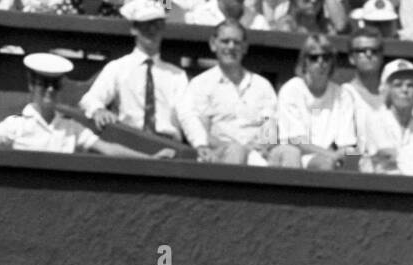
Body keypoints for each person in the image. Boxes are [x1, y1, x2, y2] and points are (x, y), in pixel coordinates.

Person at [0, 53, 160, 158]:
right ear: (32, 86)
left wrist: (150, 158)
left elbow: (107, 149)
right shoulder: (16, 126)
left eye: (54, 84)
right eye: (43, 84)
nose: (49, 90)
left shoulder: (70, 128)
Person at [78, 0, 207, 153]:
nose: (152, 30)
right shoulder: (118, 68)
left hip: (169, 146)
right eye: (145, 25)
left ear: (163, 28)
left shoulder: (176, 75)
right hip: (130, 142)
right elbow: (90, 99)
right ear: (134, 29)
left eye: (157, 25)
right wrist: (98, 110)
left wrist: (200, 144)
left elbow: (187, 114)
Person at [178, 21, 295, 167]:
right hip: (220, 155)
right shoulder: (201, 84)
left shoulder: (261, 85)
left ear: (245, 47)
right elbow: (203, 131)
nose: (231, 47)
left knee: (290, 153)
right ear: (213, 44)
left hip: (260, 153)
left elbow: (269, 126)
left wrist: (260, 147)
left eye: (236, 42)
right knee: (236, 151)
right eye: (225, 41)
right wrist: (238, 149)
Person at [277, 35, 362, 170]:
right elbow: (296, 141)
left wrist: (346, 156)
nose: (321, 62)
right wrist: (331, 156)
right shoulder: (291, 90)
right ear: (305, 61)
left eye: (326, 57)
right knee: (326, 164)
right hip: (295, 157)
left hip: (332, 157)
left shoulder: (343, 94)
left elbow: (347, 142)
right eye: (314, 57)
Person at [359, 58, 413, 171]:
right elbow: (385, 157)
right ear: (387, 90)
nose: (405, 90)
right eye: (398, 85)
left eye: (410, 85)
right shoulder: (373, 120)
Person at [343, 25, 385, 118]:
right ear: (351, 58)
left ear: (381, 56)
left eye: (374, 50)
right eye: (362, 50)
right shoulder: (343, 95)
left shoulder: (392, 94)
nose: (369, 54)